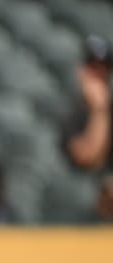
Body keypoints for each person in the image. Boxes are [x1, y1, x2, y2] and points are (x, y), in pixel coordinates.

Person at [61, 34, 111, 174]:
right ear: (81, 70)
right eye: (93, 67)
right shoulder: (69, 110)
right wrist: (100, 110)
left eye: (105, 68)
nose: (99, 74)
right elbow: (89, 158)